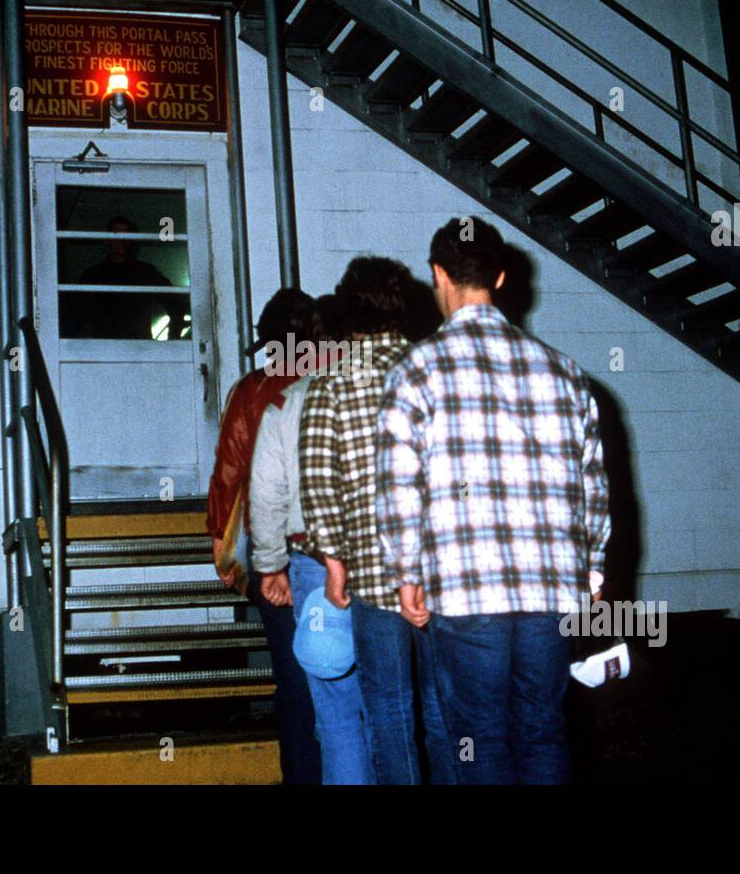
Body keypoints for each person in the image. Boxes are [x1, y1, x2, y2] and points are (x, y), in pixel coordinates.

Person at [376, 217, 611, 785]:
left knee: (479, 738)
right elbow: (593, 484)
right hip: (550, 582)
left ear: (438, 275)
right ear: (501, 277)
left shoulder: (415, 371)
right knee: (542, 729)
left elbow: (398, 485)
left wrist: (405, 572)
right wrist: (593, 567)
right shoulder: (564, 371)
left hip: (465, 584)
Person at [298, 258, 453, 785]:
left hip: (371, 574)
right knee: (444, 711)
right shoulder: (434, 368)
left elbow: (319, 482)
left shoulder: (331, 380)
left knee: (389, 712)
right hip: (441, 574)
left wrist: (334, 564)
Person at [251, 295, 376, 785]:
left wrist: (269, 564)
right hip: (386, 562)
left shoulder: (286, 401)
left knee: (336, 711)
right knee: (389, 707)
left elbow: (265, 490)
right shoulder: (391, 395)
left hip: (312, 565)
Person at [205, 288, 321, 785]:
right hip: (346, 551)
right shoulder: (343, 382)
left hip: (277, 557)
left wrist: (223, 547)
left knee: (294, 682)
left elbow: (229, 474)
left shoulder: (252, 391)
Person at [78, 215, 182, 339]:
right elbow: (77, 315)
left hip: (135, 349)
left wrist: (172, 343)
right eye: (117, 234)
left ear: (132, 239)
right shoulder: (92, 275)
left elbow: (176, 306)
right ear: (107, 240)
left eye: (127, 234)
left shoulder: (146, 272)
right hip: (107, 349)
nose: (122, 239)